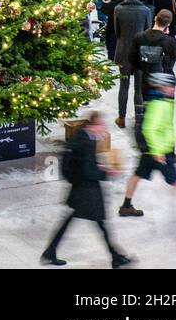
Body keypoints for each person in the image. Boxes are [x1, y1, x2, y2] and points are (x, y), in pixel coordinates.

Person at [40, 111, 131, 267]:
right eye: (102, 125)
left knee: (79, 221)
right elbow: (87, 169)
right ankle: (115, 256)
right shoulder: (86, 141)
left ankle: (50, 252)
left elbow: (85, 164)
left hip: (81, 188)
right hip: (86, 190)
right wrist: (107, 172)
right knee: (100, 222)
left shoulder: (85, 137)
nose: (104, 129)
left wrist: (99, 167)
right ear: (94, 125)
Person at [119, 72, 176, 218]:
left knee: (137, 175)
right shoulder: (159, 104)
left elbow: (166, 126)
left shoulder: (163, 101)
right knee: (175, 181)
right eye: (171, 86)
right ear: (162, 87)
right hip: (160, 151)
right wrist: (157, 152)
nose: (173, 89)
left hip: (154, 149)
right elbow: (149, 128)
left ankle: (126, 205)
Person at [113, 0, 153, 128]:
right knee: (139, 88)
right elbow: (148, 32)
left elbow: (117, 32)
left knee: (124, 85)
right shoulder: (145, 10)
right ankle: (138, 119)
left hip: (123, 51)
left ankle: (121, 118)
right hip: (140, 52)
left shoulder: (118, 9)